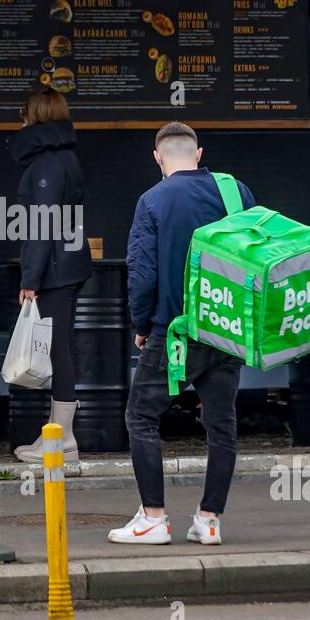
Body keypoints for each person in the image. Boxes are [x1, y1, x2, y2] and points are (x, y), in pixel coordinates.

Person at [108, 121, 256, 546]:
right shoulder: (236, 192)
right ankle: (209, 520)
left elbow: (141, 274)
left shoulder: (153, 200)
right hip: (226, 328)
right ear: (199, 153)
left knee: (141, 416)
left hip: (175, 331)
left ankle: (153, 517)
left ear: (158, 158)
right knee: (222, 424)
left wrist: (141, 326)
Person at [8, 89, 92, 463]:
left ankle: (61, 440)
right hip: (68, 264)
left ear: (34, 118)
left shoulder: (46, 164)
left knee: (58, 352)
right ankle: (58, 435)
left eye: (23, 116)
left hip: (55, 269)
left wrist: (30, 278)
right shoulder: (66, 158)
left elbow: (41, 225)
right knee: (60, 349)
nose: (19, 124)